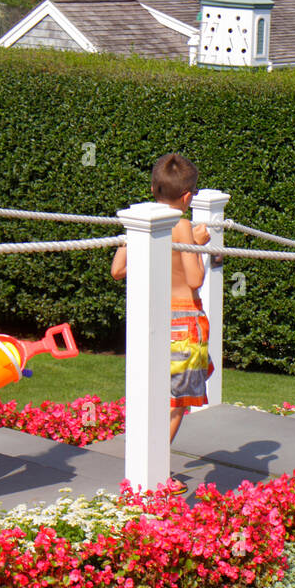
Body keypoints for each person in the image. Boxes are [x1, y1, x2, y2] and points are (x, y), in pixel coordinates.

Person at [110, 152, 212, 494]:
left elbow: (117, 271)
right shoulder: (181, 225)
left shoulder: (141, 220)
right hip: (185, 320)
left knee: (154, 394)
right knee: (177, 403)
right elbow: (196, 279)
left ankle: (146, 462)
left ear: (154, 188)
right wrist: (196, 246)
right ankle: (155, 468)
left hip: (152, 321)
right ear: (188, 196)